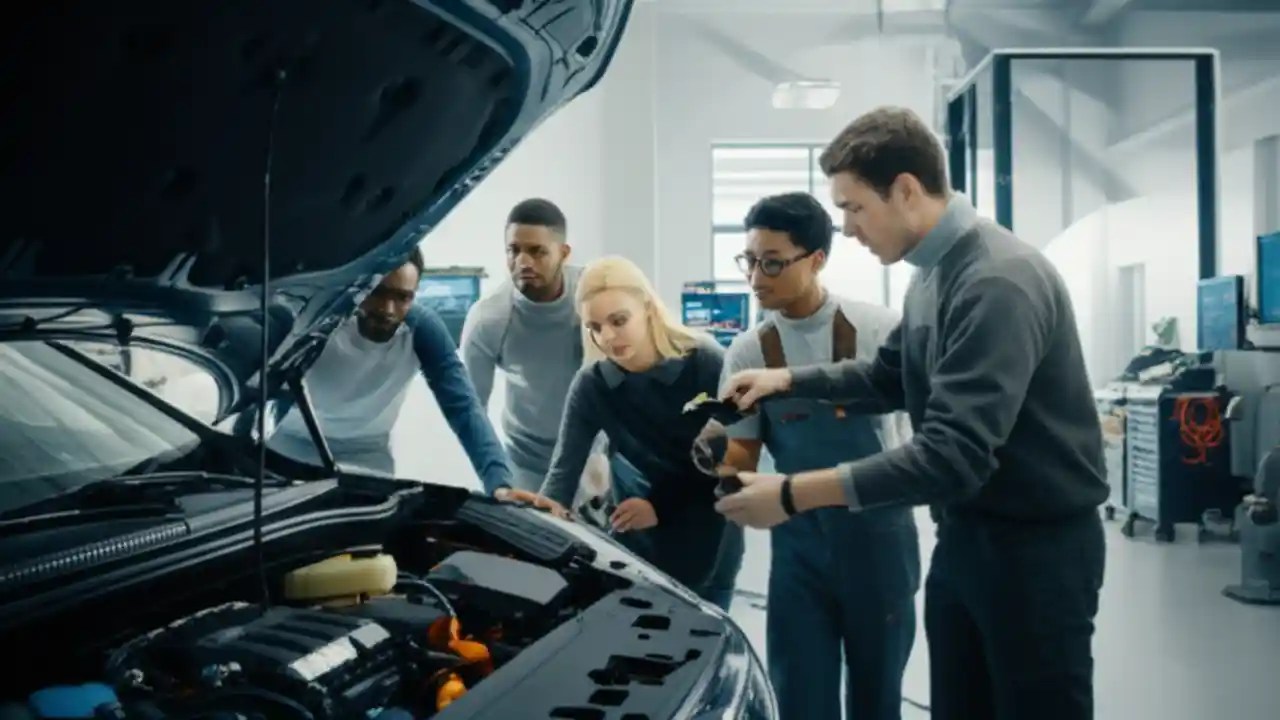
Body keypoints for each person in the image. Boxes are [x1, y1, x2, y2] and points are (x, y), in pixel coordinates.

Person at [717, 106, 1109, 720]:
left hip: (1035, 554)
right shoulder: (929, 276)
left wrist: (793, 494)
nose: (845, 229)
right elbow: (886, 376)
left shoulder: (996, 281)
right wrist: (787, 378)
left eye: (852, 208)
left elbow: (951, 455)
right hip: (966, 539)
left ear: (904, 190)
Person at [715, 192, 920, 720]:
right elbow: (741, 450)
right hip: (799, 547)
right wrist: (715, 461)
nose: (756, 278)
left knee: (878, 698)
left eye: (773, 263)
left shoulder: (879, 330)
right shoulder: (747, 351)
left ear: (818, 259)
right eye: (750, 261)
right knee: (801, 695)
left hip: (879, 539)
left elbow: (928, 439)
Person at [518, 256, 744, 610]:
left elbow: (729, 467)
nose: (607, 337)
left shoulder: (708, 364)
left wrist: (659, 506)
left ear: (649, 309)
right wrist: (534, 531)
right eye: (594, 326)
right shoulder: (592, 386)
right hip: (639, 541)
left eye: (618, 321)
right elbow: (561, 476)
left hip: (709, 532)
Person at [270, 247, 512, 494]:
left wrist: (500, 482)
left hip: (367, 459)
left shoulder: (422, 328)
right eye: (377, 292)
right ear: (360, 285)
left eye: (402, 298)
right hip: (288, 449)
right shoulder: (321, 317)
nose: (388, 309)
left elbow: (463, 406)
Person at [461, 198, 585, 494]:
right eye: (514, 250)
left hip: (596, 455)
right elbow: (470, 410)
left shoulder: (593, 295)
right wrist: (495, 478)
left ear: (563, 253)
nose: (523, 262)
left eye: (537, 252)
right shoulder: (488, 319)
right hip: (526, 463)